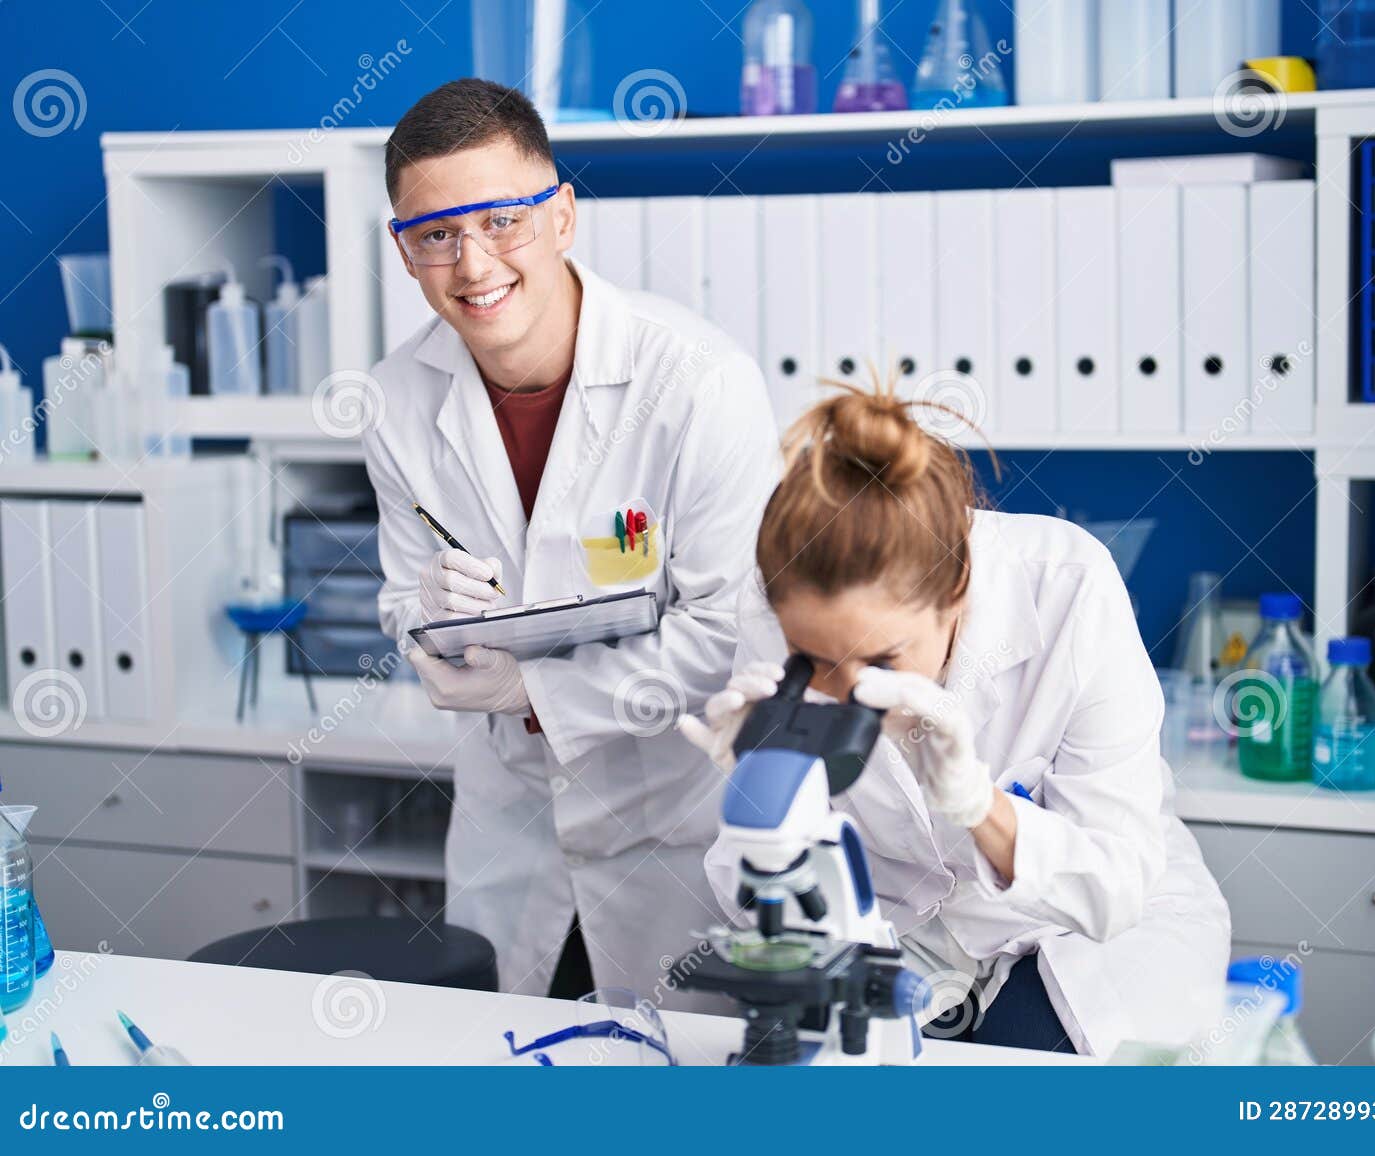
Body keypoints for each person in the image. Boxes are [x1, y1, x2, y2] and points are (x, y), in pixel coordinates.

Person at [363, 78, 779, 1006]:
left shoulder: (700, 383)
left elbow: (734, 638)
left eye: (502, 220)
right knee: (500, 1075)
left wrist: (532, 686)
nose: (473, 265)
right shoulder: (394, 401)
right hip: (508, 825)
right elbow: (400, 596)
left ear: (561, 218)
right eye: (436, 235)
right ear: (405, 252)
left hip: (673, 834)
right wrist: (424, 630)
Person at [681, 377, 1230, 1055]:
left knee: (1023, 1079)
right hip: (901, 931)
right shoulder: (780, 605)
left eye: (881, 657)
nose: (848, 688)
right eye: (813, 660)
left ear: (957, 588)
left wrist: (978, 805)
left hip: (1087, 933)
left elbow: (1113, 890)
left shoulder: (1070, 588)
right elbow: (755, 902)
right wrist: (759, 800)